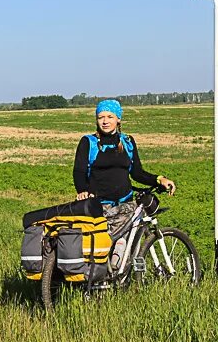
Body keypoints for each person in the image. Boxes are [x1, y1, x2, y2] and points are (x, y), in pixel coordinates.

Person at [73, 99, 175, 238]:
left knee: (124, 249)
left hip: (125, 206)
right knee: (100, 252)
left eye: (110, 117)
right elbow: (79, 171)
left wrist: (159, 179)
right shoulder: (88, 142)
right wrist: (82, 191)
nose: (105, 121)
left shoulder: (127, 141)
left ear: (118, 119)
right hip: (99, 207)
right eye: (101, 117)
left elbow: (137, 172)